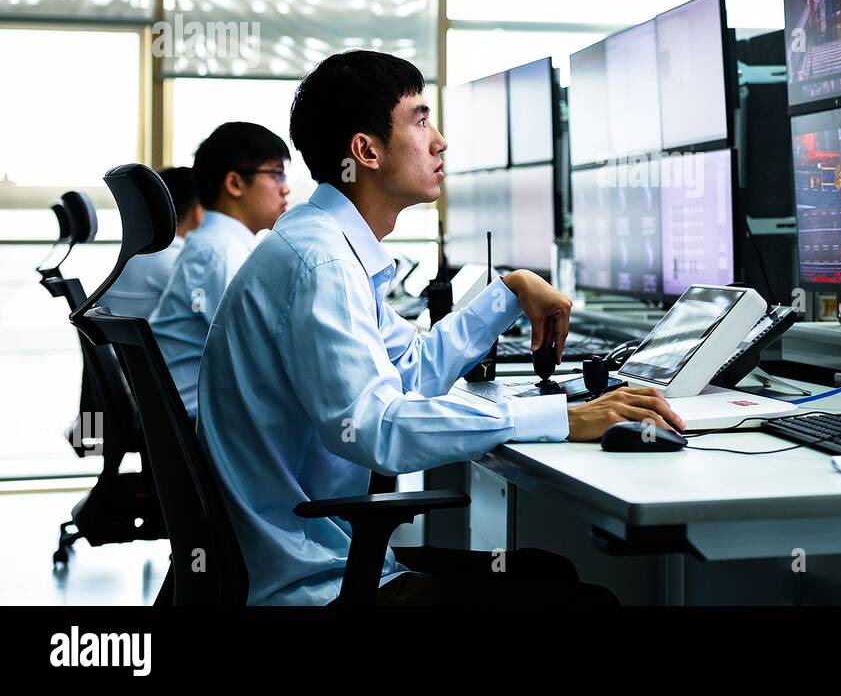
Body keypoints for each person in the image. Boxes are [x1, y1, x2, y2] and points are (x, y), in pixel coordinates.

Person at [198, 50, 684, 606]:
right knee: (578, 600)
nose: (440, 142)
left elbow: (407, 374)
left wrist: (509, 292)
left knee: (551, 574)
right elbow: (378, 427)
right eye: (421, 119)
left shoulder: (322, 245)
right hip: (311, 582)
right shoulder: (322, 264)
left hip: (321, 557)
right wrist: (561, 416)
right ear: (367, 150)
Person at [149, 122, 291, 417]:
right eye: (275, 174)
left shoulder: (218, 246)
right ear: (235, 184)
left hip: (194, 416)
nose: (285, 187)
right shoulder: (220, 254)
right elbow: (264, 352)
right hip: (202, 424)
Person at [102, 167, 203, 319]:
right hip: (154, 342)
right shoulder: (172, 260)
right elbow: (204, 310)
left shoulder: (139, 254)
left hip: (118, 341)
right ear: (198, 212)